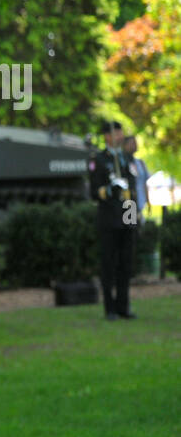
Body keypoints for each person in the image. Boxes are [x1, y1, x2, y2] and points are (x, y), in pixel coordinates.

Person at [89, 121, 138, 320]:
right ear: (107, 137)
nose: (119, 137)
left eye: (120, 133)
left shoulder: (127, 158)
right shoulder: (98, 159)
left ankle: (123, 306)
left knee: (126, 264)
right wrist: (110, 190)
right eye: (115, 133)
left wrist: (133, 219)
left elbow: (132, 191)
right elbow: (94, 192)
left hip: (127, 216)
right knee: (109, 264)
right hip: (109, 219)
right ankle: (110, 308)